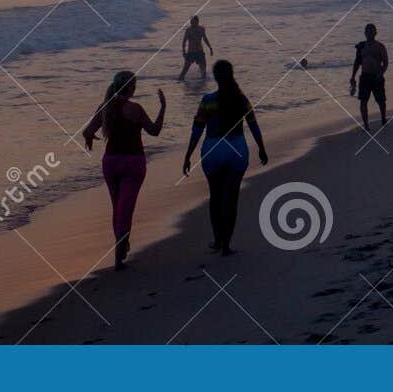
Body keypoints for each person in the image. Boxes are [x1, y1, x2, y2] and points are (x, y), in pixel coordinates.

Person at [182, 59, 268, 255]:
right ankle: (227, 245)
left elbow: (197, 130)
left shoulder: (207, 100)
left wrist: (188, 156)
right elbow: (253, 125)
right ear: (231, 74)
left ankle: (217, 240)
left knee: (215, 197)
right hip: (236, 149)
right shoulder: (241, 99)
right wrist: (262, 148)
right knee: (231, 199)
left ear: (215, 77)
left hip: (213, 149)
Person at [82, 71, 166, 269]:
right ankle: (119, 255)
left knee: (117, 208)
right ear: (130, 88)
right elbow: (154, 131)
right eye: (134, 85)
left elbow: (87, 132)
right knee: (126, 209)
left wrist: (89, 139)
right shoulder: (135, 109)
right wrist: (163, 107)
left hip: (110, 162)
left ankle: (122, 244)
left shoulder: (105, 107)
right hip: (133, 162)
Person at [350, 23, 389, 130]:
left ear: (375, 33)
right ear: (365, 33)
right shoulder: (361, 46)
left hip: (377, 77)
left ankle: (383, 119)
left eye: (371, 31)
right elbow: (357, 62)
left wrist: (381, 73)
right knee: (363, 101)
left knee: (381, 101)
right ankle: (366, 125)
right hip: (365, 77)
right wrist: (353, 77)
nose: (369, 33)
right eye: (367, 31)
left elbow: (385, 63)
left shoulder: (380, 46)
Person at [178, 15, 213, 80]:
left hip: (200, 52)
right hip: (191, 52)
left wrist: (210, 48)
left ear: (197, 22)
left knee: (204, 73)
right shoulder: (188, 30)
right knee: (183, 72)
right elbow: (184, 42)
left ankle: (202, 84)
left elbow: (205, 39)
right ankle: (180, 81)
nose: (192, 24)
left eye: (193, 22)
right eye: (191, 22)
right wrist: (184, 52)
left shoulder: (201, 29)